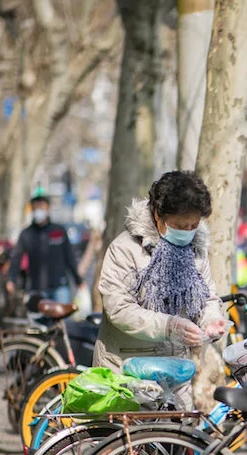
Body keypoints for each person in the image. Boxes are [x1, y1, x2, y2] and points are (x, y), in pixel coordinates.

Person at [95, 170, 229, 409]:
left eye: (194, 225)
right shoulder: (125, 249)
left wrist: (212, 319)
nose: (187, 231)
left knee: (179, 441)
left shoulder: (196, 250)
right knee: (133, 444)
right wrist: (169, 326)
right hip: (127, 371)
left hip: (175, 375)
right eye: (179, 225)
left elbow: (208, 297)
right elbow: (119, 310)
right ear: (158, 215)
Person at [7, 188, 82, 304]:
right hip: (37, 289)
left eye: (42, 207)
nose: (39, 211)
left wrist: (78, 280)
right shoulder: (27, 234)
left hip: (60, 287)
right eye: (36, 208)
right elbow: (16, 257)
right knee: (40, 320)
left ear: (48, 209)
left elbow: (69, 257)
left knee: (62, 320)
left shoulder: (58, 231)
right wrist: (11, 279)